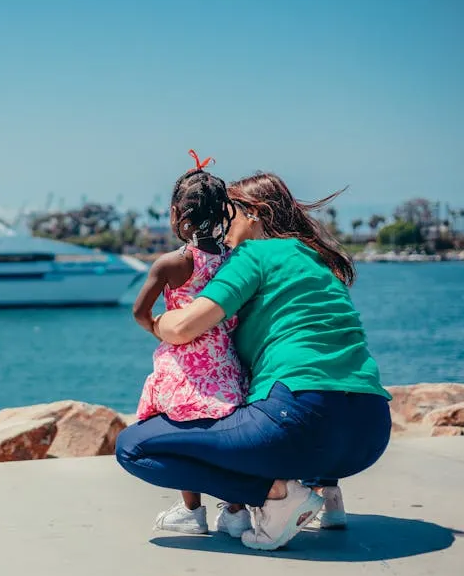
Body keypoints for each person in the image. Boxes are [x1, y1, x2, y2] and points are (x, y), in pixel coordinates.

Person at [115, 172, 392, 551]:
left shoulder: (254, 254)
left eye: (229, 214)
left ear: (254, 214)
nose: (224, 225)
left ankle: (275, 495)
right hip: (370, 433)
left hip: (303, 420)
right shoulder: (316, 259)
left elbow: (183, 328)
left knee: (133, 447)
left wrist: (156, 321)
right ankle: (327, 493)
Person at [130, 153, 250, 537]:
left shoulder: (170, 264)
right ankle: (235, 511)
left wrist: (162, 331)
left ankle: (192, 511)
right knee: (225, 441)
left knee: (182, 440)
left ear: (176, 212)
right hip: (227, 365)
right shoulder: (236, 261)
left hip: (182, 369)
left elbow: (139, 312)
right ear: (222, 213)